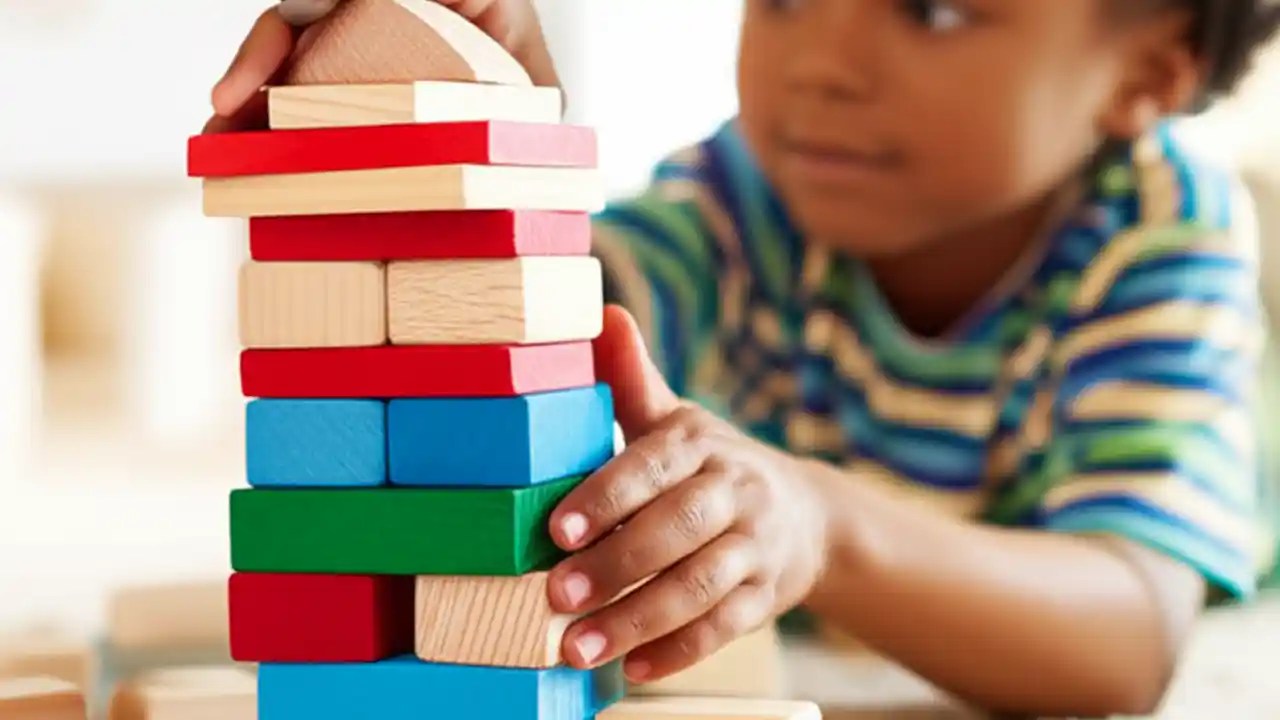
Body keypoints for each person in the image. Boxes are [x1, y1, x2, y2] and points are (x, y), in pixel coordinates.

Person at [204, 1, 1280, 716]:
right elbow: (534, 322)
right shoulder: (731, 201)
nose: (819, 65)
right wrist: (483, 131)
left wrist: (819, 527)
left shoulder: (1157, 233)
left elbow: (1126, 642)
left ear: (1145, 70)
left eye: (935, 9)